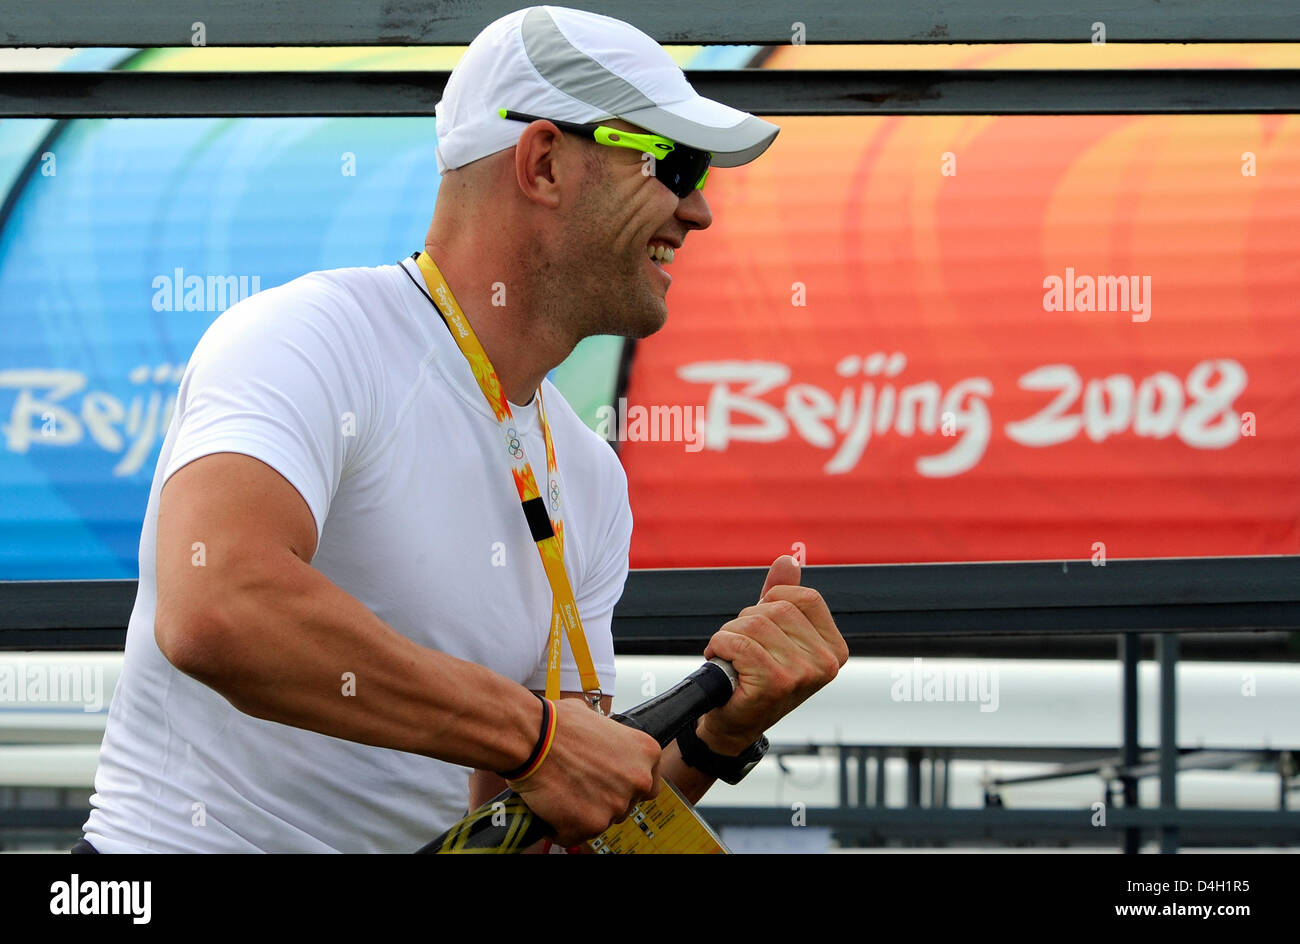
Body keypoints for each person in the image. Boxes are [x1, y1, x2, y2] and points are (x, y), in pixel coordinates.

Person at [78, 5, 847, 853]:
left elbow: (561, 807)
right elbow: (217, 603)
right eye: (674, 164)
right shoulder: (307, 337)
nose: (699, 210)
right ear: (544, 162)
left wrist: (717, 730)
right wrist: (537, 737)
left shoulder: (587, 473)